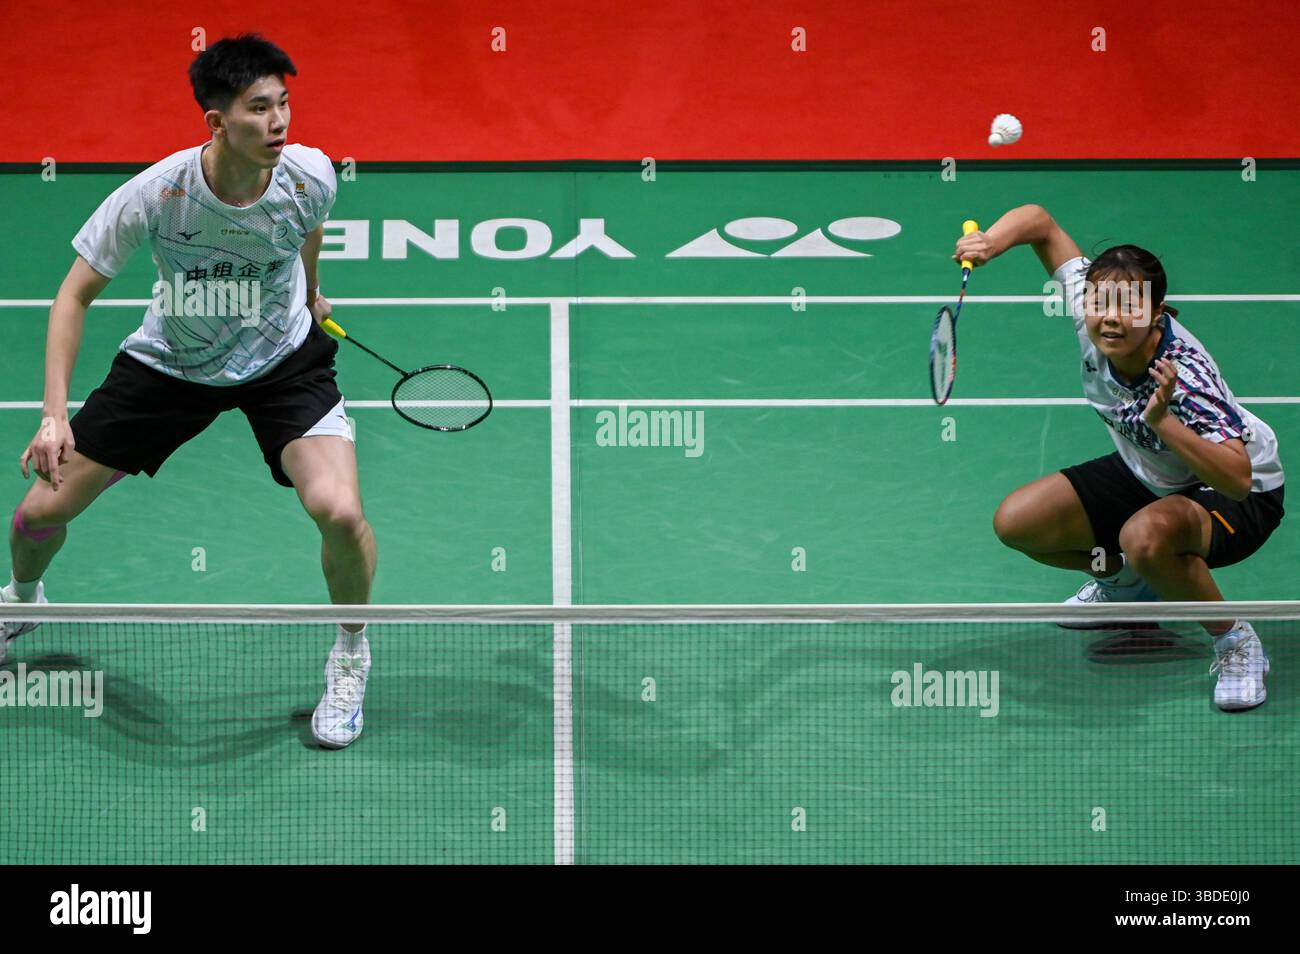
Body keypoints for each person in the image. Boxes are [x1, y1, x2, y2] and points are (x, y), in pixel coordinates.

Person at [0, 34, 376, 747]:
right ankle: (21, 602)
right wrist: (53, 416)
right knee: (36, 518)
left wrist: (312, 292)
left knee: (340, 511)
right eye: (258, 108)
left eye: (283, 103)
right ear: (216, 121)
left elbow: (309, 229)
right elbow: (72, 296)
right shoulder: (159, 194)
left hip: (282, 361)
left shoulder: (310, 174)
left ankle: (352, 652)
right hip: (172, 364)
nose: (278, 121)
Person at [959, 204, 1284, 711]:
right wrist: (991, 243)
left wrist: (1164, 423)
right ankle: (1125, 584)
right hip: (1152, 471)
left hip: (1236, 494)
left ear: (1157, 313)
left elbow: (1237, 479)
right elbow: (1040, 222)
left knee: (1145, 536)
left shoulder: (1185, 377)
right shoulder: (1096, 315)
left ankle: (1235, 640)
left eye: (1128, 306)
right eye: (1099, 302)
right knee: (1018, 521)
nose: (1109, 317)